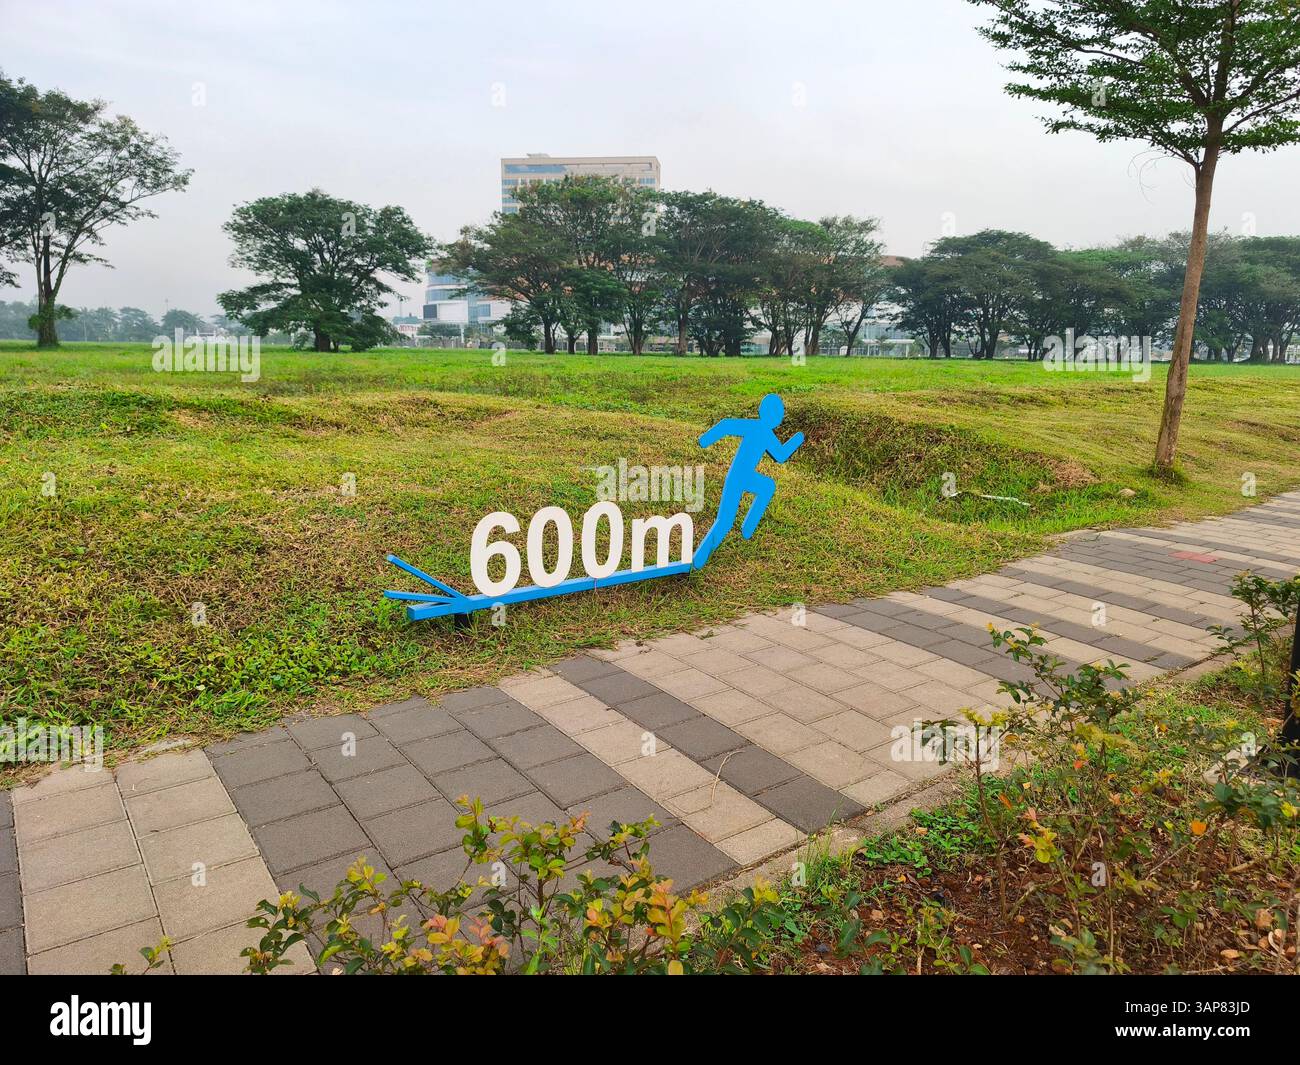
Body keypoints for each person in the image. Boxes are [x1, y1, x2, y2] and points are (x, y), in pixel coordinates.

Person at [693, 393, 804, 568]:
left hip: (746, 477)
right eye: (777, 415)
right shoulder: (754, 427)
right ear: (765, 413)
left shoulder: (767, 435)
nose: (778, 419)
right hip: (737, 478)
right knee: (725, 521)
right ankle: (698, 560)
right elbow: (727, 425)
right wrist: (705, 440)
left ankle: (747, 528)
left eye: (780, 416)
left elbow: (781, 455)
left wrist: (797, 440)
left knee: (768, 486)